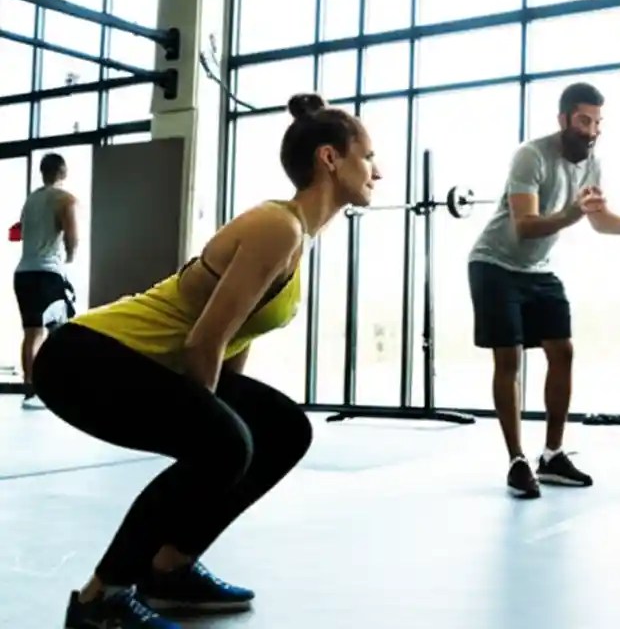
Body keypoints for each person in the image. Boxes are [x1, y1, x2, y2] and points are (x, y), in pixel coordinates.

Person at [32, 93, 380, 629]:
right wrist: (217, 430)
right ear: (330, 159)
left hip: (141, 363)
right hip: (86, 357)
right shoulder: (278, 227)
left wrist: (226, 419)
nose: (377, 170)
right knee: (225, 444)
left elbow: (236, 333)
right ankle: (100, 599)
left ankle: (169, 568)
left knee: (283, 430)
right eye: (368, 156)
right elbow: (204, 342)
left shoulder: (298, 238)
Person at [468, 81, 620, 499]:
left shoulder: (591, 164)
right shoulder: (530, 156)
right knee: (509, 360)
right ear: (563, 120)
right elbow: (524, 225)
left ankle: (552, 455)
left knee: (563, 352)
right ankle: (517, 460)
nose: (592, 130)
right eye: (584, 120)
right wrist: (572, 212)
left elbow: (598, 220)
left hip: (538, 269)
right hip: (494, 265)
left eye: (598, 122)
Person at [12, 152, 79, 409]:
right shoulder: (65, 199)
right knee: (57, 331)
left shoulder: (30, 201)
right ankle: (54, 388)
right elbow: (71, 237)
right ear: (64, 173)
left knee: (32, 333)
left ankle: (31, 389)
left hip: (24, 273)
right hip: (47, 273)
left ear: (42, 172)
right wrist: (70, 257)